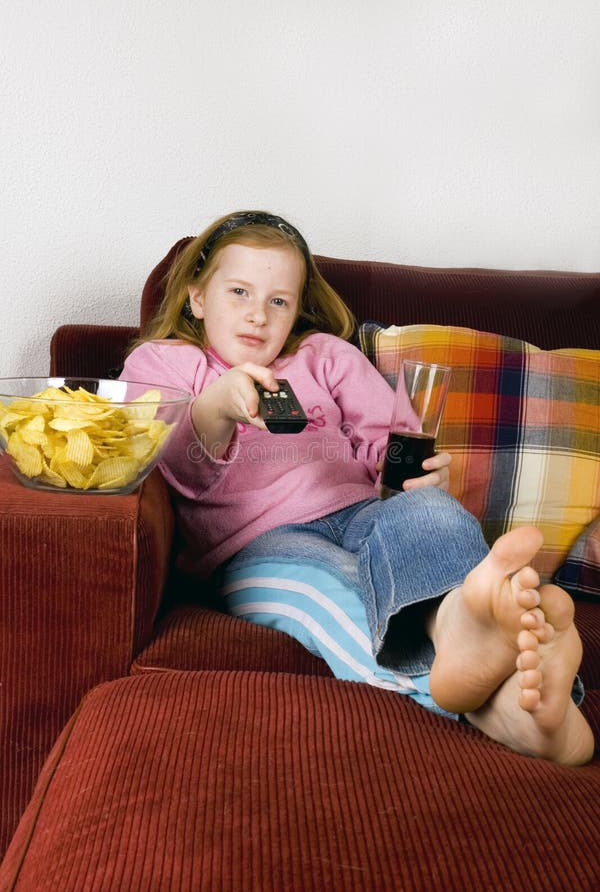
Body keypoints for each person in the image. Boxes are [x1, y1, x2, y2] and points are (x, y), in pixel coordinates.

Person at [120, 210, 594, 766]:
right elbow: (164, 463)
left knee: (432, 515)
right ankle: (502, 704)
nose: (257, 314)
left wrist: (411, 474)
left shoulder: (324, 357)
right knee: (334, 590)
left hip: (363, 513)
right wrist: (217, 407)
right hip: (258, 544)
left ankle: (457, 623)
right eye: (239, 292)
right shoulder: (164, 363)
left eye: (279, 300)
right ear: (198, 298)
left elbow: (384, 442)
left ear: (297, 308)